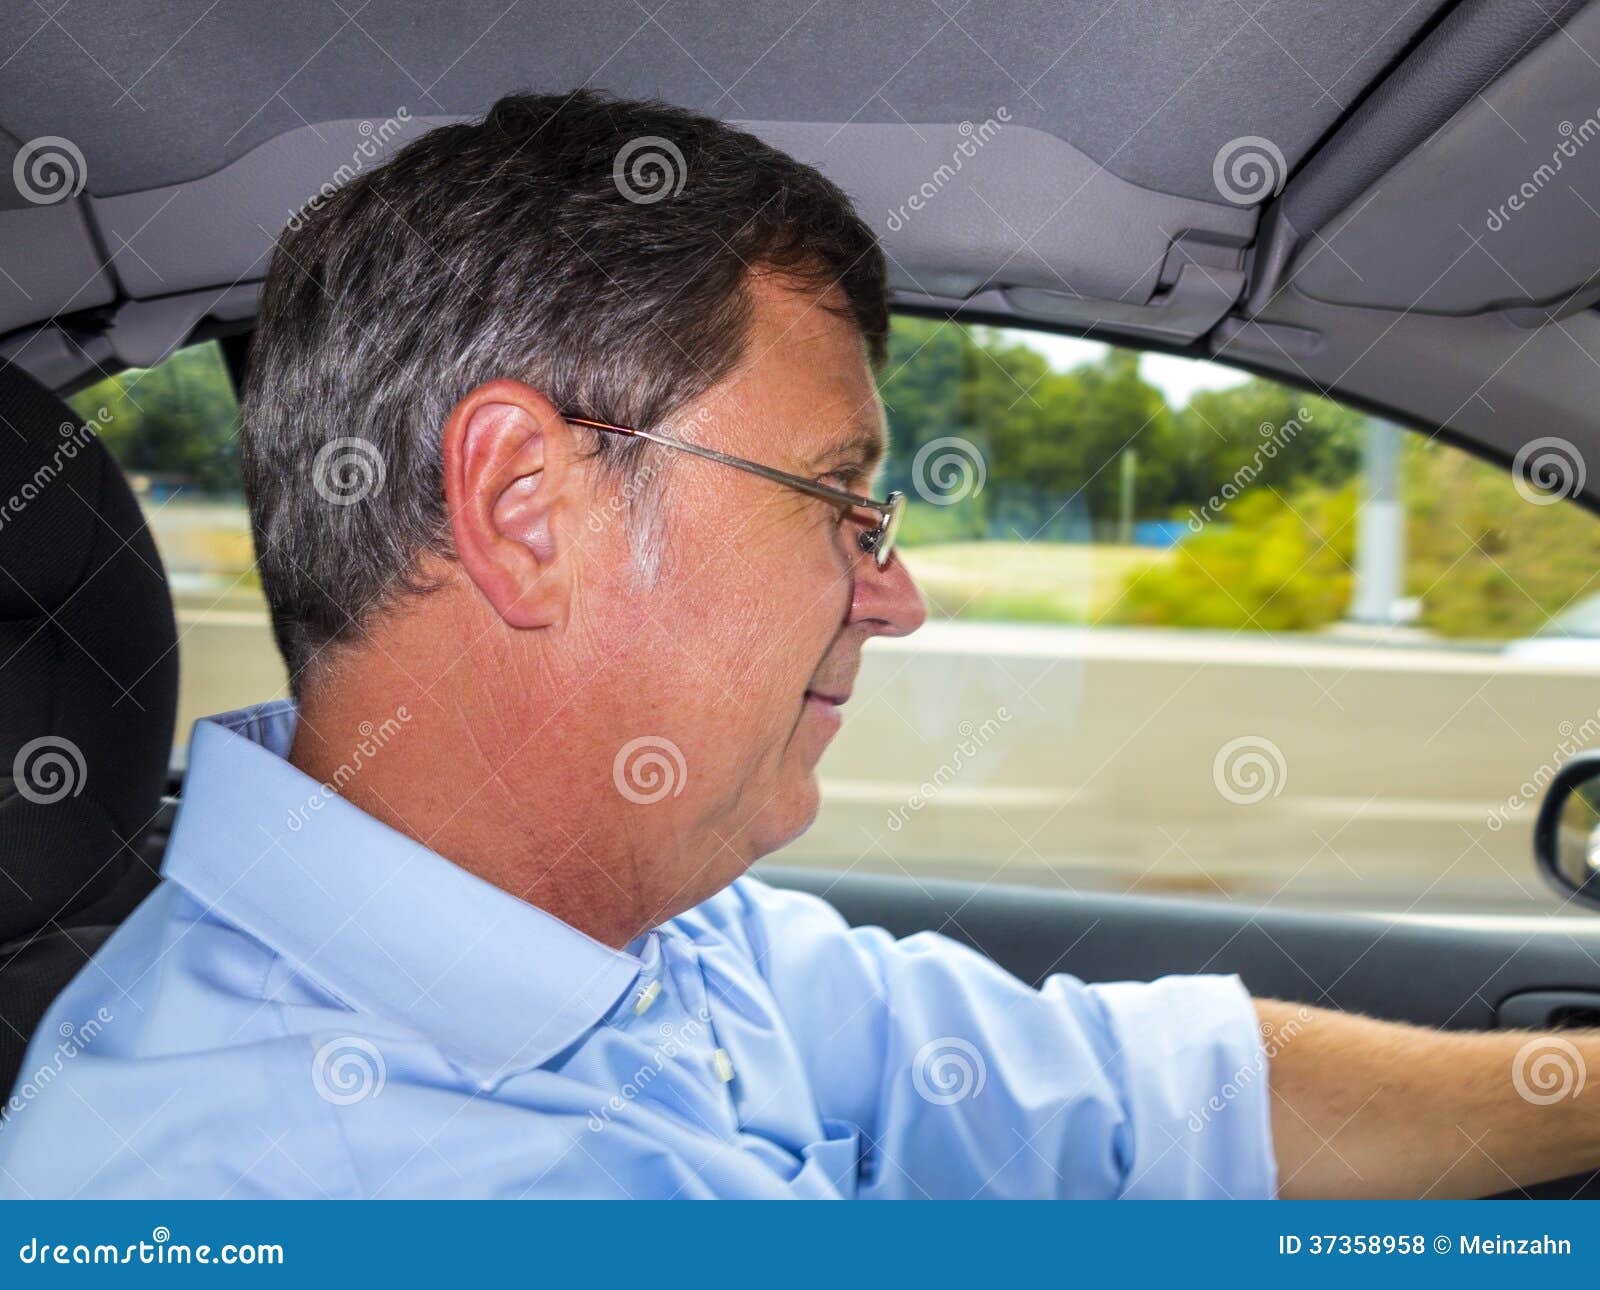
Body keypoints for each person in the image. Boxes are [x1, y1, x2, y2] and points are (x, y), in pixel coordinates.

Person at [2, 91, 1596, 1200]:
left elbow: (1117, 1104)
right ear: (523, 506)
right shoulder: (283, 1166)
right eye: (838, 496)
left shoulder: (627, 927)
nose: (896, 595)